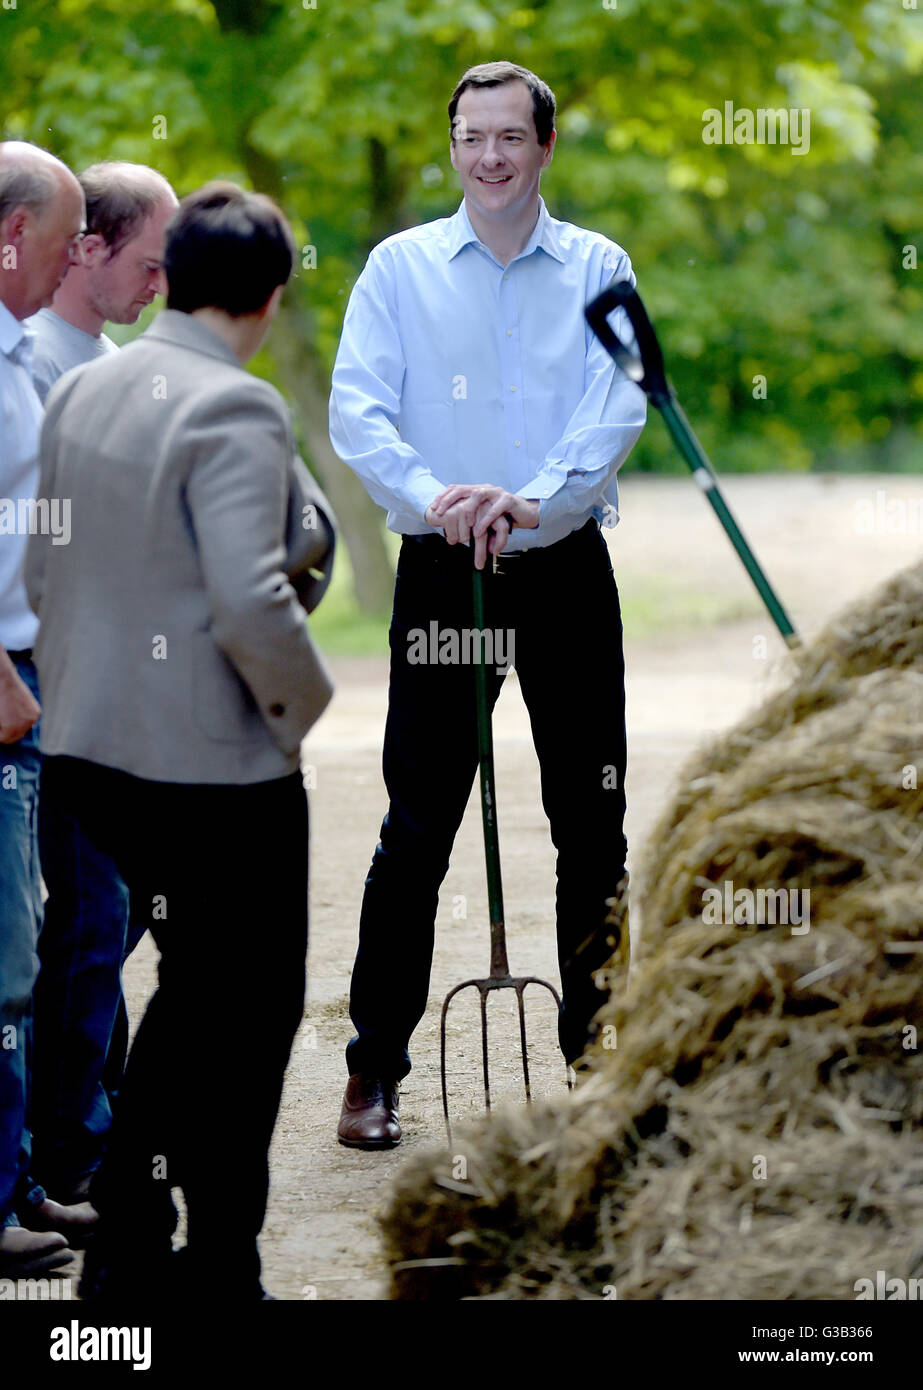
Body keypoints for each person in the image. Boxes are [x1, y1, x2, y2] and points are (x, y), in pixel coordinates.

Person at [25, 181, 337, 1299]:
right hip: (211, 770)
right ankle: (212, 1253)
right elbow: (255, 602)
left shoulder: (84, 388)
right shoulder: (238, 407)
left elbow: (37, 570)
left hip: (88, 752)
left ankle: (136, 1231)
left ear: (171, 278)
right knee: (250, 1009)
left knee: (197, 987)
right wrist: (305, 712)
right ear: (266, 295)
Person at [329, 61, 646, 1148]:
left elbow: (620, 405)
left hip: (558, 572)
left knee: (589, 826)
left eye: (511, 137)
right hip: (442, 572)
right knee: (414, 827)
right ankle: (372, 1071)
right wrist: (439, 500)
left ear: (544, 147)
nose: (490, 157)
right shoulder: (398, 268)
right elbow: (357, 413)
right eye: (472, 137)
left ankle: (603, 1058)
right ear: (451, 144)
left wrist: (531, 499)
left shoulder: (599, 266)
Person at [24, 161, 178, 1209]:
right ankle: (69, 1149)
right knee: (84, 920)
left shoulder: (106, 357)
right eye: (152, 263)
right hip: (51, 669)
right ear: (86, 249)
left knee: (100, 916)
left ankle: (83, 1113)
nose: (161, 286)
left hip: (108, 668)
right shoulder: (31, 362)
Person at [0, 140, 91, 1276]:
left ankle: (18, 1177)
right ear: (13, 235)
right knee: (8, 957)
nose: (77, 259)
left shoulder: (21, 348)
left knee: (20, 949)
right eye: (65, 240)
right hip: (6, 684)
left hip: (37, 668)